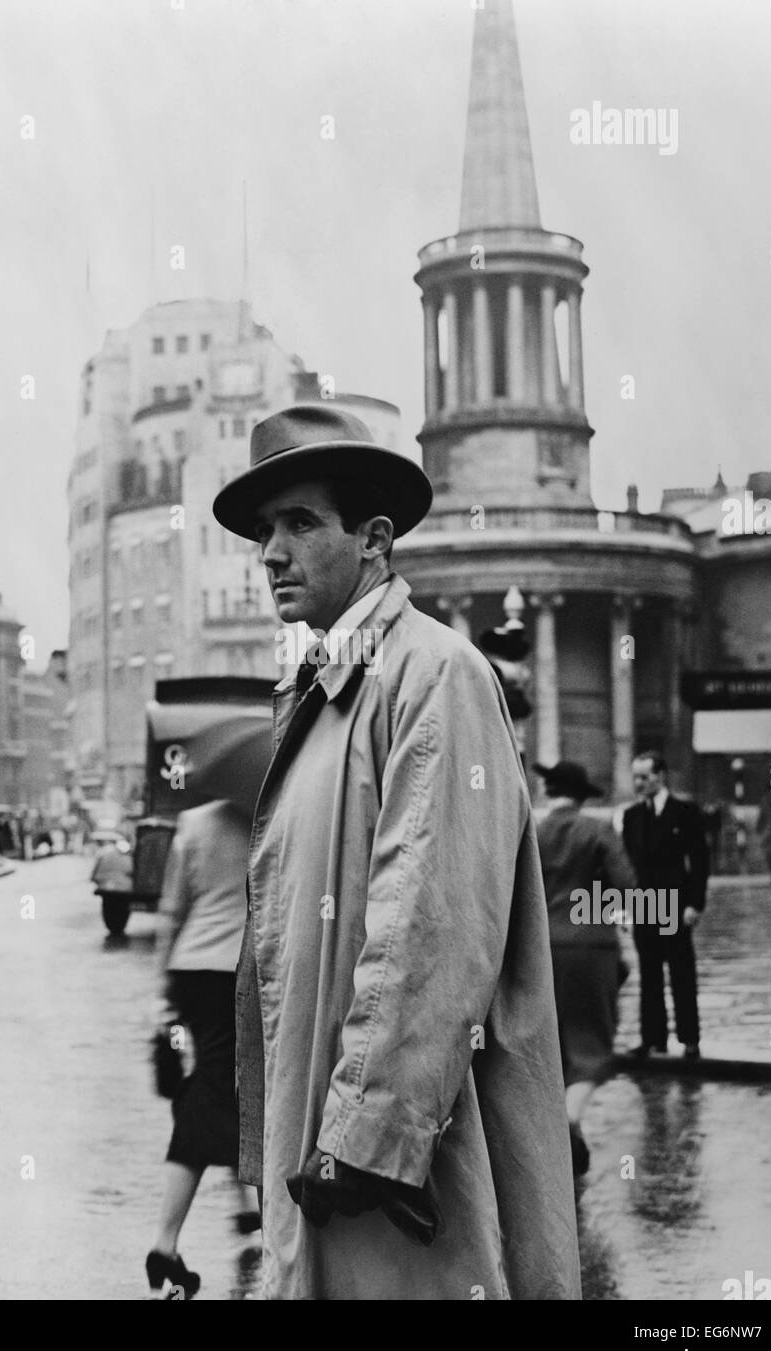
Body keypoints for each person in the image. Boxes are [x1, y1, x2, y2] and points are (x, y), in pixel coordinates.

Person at [212, 404, 580, 1301]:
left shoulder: (432, 673)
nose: (270, 552)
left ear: (374, 539)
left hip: (394, 1170)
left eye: (300, 523)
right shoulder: (320, 688)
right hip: (327, 1155)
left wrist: (368, 1136)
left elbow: (431, 919)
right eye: (265, 530)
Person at [146, 799, 259, 1300]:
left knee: (224, 1087)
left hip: (190, 971)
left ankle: (246, 1213)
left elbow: (172, 911)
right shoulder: (267, 812)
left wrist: (159, 990)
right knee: (216, 1091)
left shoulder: (192, 822)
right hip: (236, 973)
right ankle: (163, 1248)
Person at [533, 760, 637, 1177]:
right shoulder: (597, 830)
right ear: (581, 795)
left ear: (550, 791)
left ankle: (550, 1135)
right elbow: (627, 886)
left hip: (540, 951)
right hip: (591, 948)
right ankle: (570, 1118)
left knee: (552, 1044)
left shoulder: (532, 833)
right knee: (591, 1042)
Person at [622, 751, 710, 1062]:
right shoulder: (631, 817)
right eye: (635, 777)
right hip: (644, 906)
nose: (639, 783)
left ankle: (690, 1039)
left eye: (644, 777)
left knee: (682, 972)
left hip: (676, 905)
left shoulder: (685, 812)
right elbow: (627, 865)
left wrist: (695, 904)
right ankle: (652, 1039)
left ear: (661, 776)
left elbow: (699, 860)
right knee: (649, 974)